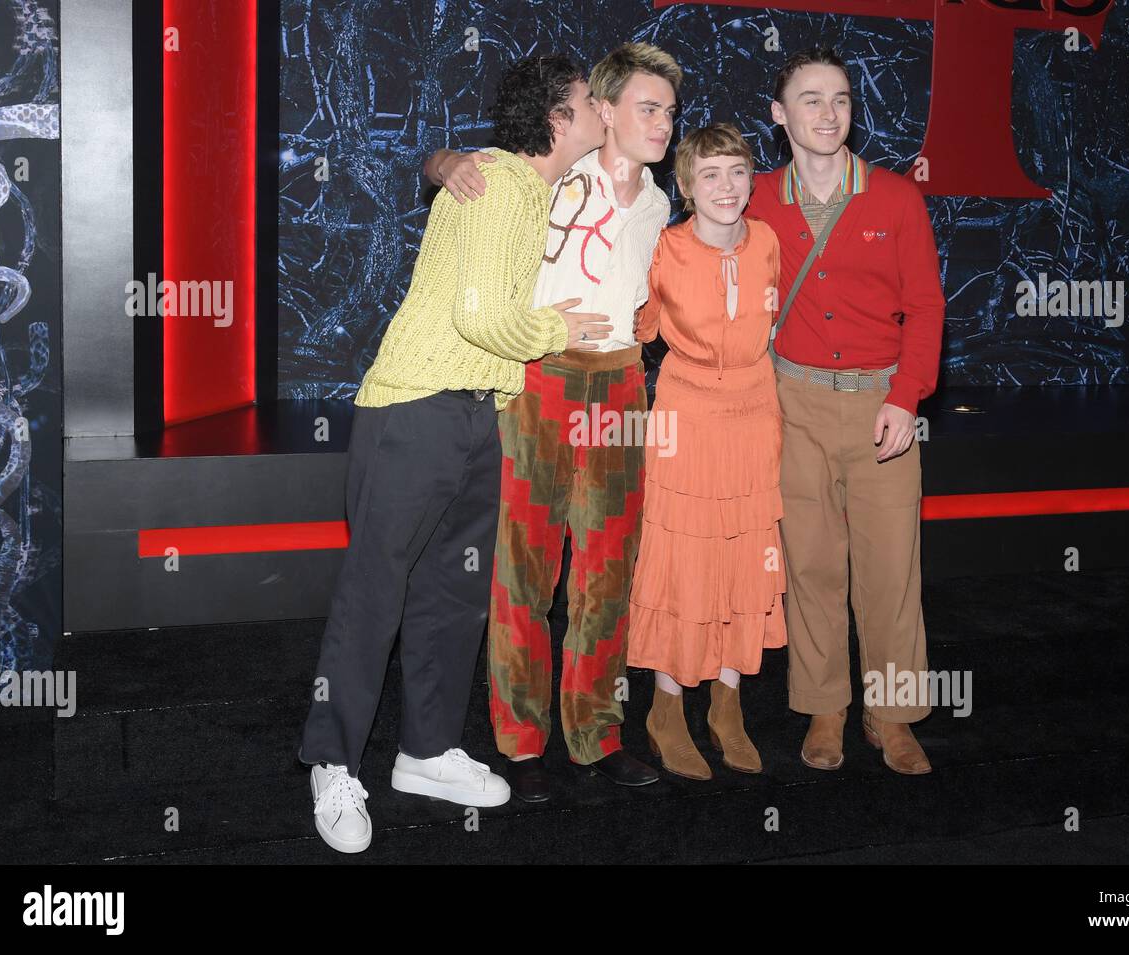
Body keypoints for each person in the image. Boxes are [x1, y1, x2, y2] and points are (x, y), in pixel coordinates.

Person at [298, 54, 610, 854]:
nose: (602, 111)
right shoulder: (504, 183)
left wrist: (436, 162)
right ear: (557, 119)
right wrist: (555, 332)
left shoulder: (531, 188)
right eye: (589, 102)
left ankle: (426, 752)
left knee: (449, 595)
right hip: (416, 408)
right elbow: (480, 317)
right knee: (376, 591)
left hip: (474, 415)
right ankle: (333, 762)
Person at [425, 44, 682, 801]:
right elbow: (451, 164)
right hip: (540, 382)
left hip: (623, 387)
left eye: (669, 111)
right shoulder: (549, 171)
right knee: (524, 572)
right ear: (602, 110)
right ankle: (521, 741)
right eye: (647, 107)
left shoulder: (663, 205)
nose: (662, 123)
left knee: (608, 572)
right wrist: (441, 162)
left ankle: (597, 735)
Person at [745, 48, 946, 775]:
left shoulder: (895, 198)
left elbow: (926, 306)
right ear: (780, 115)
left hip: (881, 406)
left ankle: (890, 715)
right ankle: (824, 706)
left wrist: (906, 396)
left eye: (839, 99)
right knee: (812, 565)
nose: (827, 114)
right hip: (792, 404)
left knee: (891, 568)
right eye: (809, 99)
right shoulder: (757, 197)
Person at [628, 123, 787, 780]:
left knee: (742, 556)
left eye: (737, 171)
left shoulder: (769, 242)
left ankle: (727, 702)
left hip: (753, 415)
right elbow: (636, 327)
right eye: (710, 174)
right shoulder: (664, 248)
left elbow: (769, 324)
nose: (726, 186)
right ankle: (667, 709)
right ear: (687, 186)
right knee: (683, 558)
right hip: (686, 416)